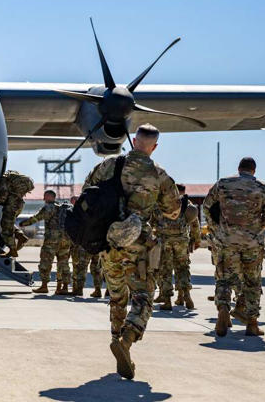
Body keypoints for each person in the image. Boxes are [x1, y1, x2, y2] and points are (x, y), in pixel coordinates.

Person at [85, 124, 180, 380]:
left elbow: (87, 192)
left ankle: (115, 337)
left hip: (109, 243)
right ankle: (126, 340)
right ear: (154, 147)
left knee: (117, 297)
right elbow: (173, 212)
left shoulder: (109, 165)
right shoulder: (158, 174)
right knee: (143, 296)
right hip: (138, 245)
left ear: (134, 141)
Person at [203, 157, 265, 337]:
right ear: (254, 170)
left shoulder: (223, 183)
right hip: (252, 242)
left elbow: (206, 207)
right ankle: (252, 324)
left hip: (227, 241)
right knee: (252, 281)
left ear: (239, 168)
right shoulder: (262, 187)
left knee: (224, 278)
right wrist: (258, 228)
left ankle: (223, 310)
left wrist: (217, 228)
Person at [154, 184, 201, 310]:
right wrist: (196, 239)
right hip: (182, 240)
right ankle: (186, 295)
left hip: (165, 241)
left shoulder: (160, 203)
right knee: (183, 268)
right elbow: (195, 223)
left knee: (166, 270)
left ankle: (167, 300)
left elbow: (152, 221)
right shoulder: (186, 203)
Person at [20, 190, 72, 295]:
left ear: (50, 197)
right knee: (63, 263)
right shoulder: (63, 208)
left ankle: (44, 286)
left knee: (45, 262)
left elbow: (36, 218)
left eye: (45, 196)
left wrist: (23, 223)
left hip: (52, 240)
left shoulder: (48, 207)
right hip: (65, 240)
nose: (44, 199)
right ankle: (64, 287)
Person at [69, 196, 104, 298]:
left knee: (82, 267)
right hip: (98, 245)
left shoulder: (81, 214)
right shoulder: (100, 213)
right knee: (97, 268)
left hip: (85, 244)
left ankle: (79, 289)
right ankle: (98, 290)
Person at [0, 170, 35, 257]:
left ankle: (12, 250)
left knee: (6, 228)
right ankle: (20, 236)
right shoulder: (17, 179)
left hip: (12, 204)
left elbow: (4, 192)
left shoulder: (5, 178)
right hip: (19, 204)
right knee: (8, 224)